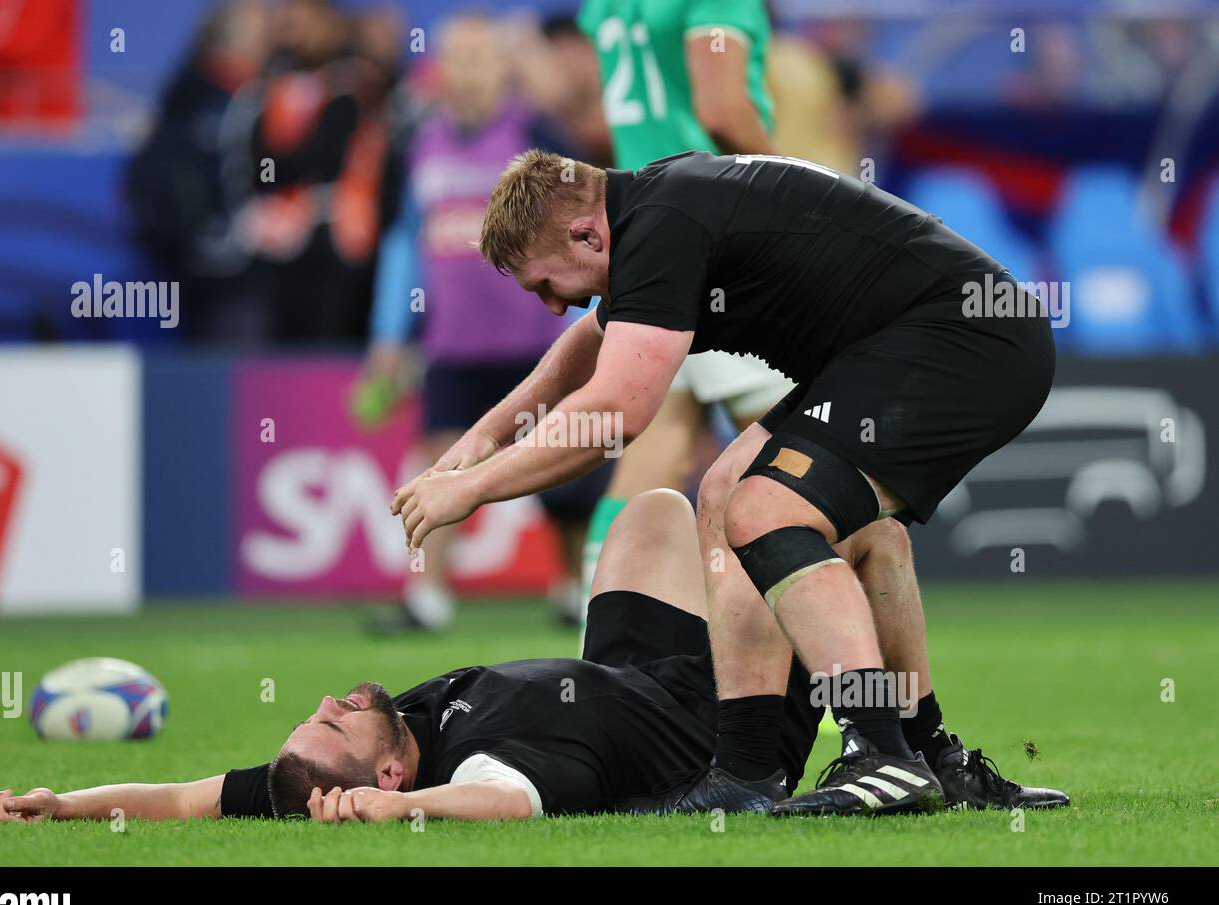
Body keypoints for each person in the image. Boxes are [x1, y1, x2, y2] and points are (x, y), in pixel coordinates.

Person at [390, 148, 1067, 816]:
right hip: (915, 341)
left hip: (965, 340)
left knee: (767, 511)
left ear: (585, 234)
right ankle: (756, 770)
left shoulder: (659, 225)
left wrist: (473, 487)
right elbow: (592, 340)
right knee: (727, 491)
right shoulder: (651, 211)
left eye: (544, 284)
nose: (547, 306)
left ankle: (881, 751)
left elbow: (615, 417)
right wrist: (487, 433)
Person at [0, 491, 1063, 825]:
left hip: (639, 666)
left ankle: (909, 745)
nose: (331, 700)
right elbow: (507, 810)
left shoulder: (383, 725)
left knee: (650, 510)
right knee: (833, 541)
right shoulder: (479, 769)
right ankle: (906, 746)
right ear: (391, 774)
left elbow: (185, 793)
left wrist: (65, 805)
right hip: (724, 718)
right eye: (333, 723)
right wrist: (403, 819)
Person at [358, 12, 610, 632]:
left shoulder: (537, 133)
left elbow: (585, 228)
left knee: (564, 462)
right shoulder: (417, 142)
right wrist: (389, 336)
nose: (468, 71)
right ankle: (427, 595)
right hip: (453, 340)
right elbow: (400, 243)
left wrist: (580, 324)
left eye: (480, 58)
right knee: (441, 458)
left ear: (504, 67)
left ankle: (570, 589)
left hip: (540, 337)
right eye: (457, 58)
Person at [572, 0, 797, 625]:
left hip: (640, 244)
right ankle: (832, 680)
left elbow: (604, 112)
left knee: (650, 459)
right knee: (799, 460)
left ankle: (605, 654)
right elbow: (721, 110)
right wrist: (796, 186)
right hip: (719, 236)